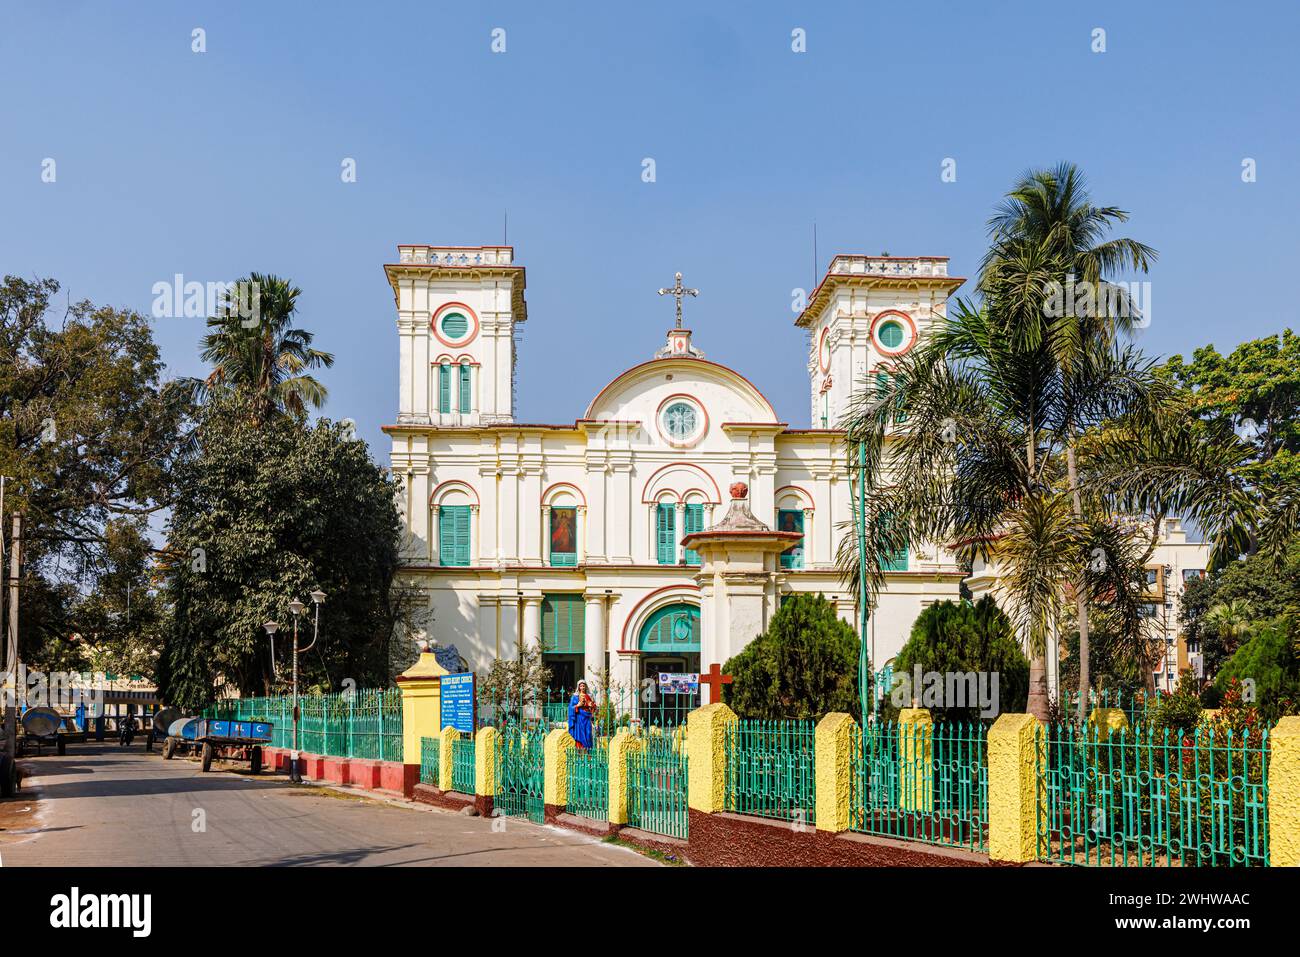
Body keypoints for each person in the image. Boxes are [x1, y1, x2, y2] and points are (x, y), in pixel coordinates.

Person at [568, 680, 595, 750]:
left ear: (585, 687)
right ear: (578, 687)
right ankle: (580, 753)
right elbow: (570, 708)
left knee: (588, 733)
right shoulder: (575, 697)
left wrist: (591, 705)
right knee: (579, 734)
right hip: (579, 717)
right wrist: (577, 705)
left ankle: (588, 752)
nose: (582, 687)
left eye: (583, 686)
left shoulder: (589, 696)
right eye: (581, 686)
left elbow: (593, 706)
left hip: (587, 717)